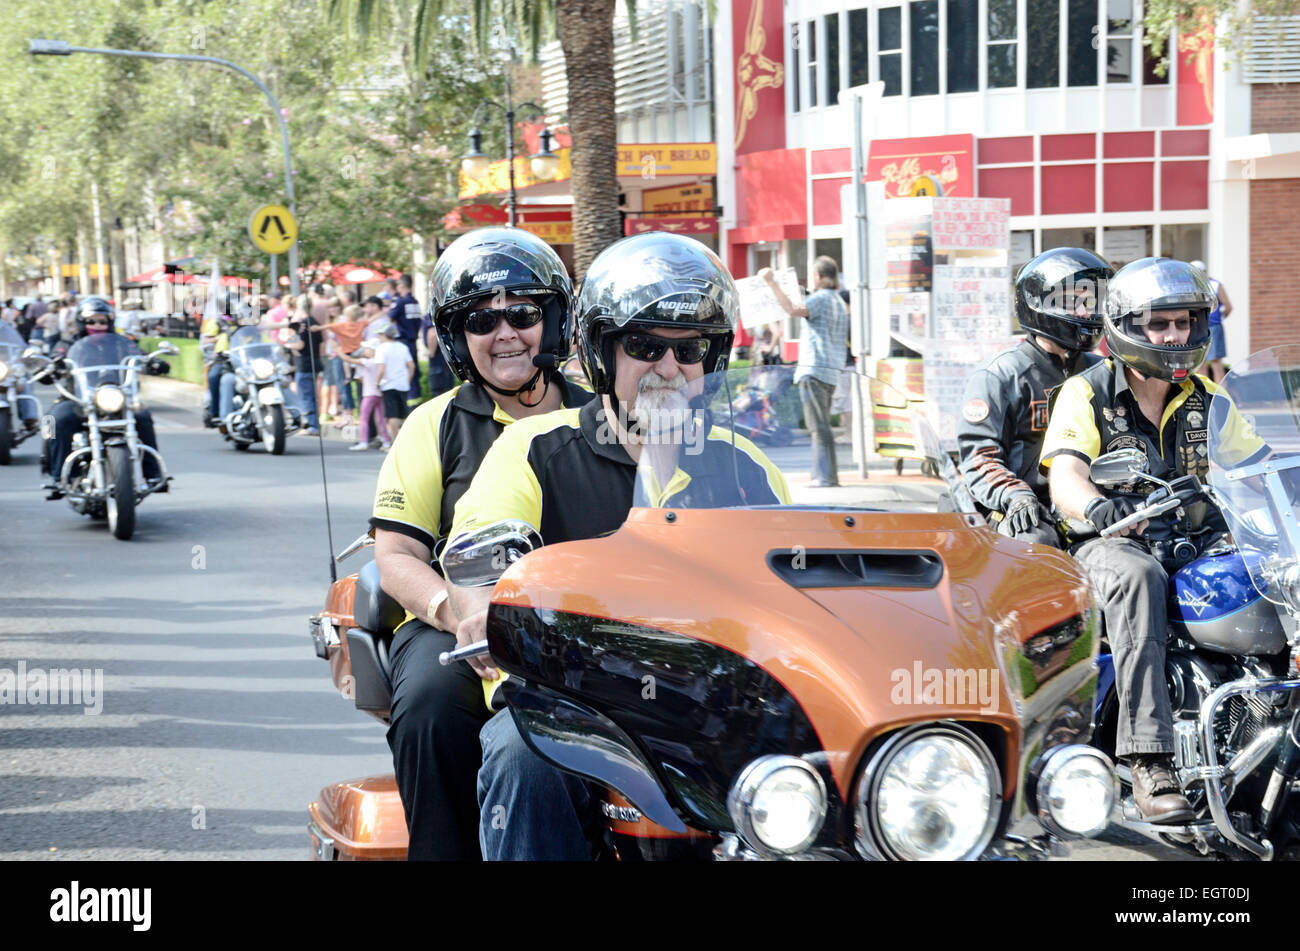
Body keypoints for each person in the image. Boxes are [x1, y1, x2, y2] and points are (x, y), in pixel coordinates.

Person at [442, 232, 790, 860]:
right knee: (525, 762)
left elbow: (793, 580)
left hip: (710, 700)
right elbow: (480, 557)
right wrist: (481, 608)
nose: (669, 367)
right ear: (602, 353)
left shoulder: (744, 464)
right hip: (568, 704)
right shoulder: (534, 449)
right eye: (645, 346)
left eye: (689, 349)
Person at [367, 227, 590, 860]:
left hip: (586, 623)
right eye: (481, 321)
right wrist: (456, 612)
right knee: (431, 708)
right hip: (456, 624)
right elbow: (395, 555)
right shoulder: (432, 424)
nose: (505, 334)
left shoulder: (601, 415)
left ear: (553, 321)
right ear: (458, 337)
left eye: (522, 314)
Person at [1040, 256, 1248, 823]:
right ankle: (1148, 759)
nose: (1174, 335)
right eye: (1159, 324)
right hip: (1111, 543)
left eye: (1183, 322)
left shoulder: (1211, 398)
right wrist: (1098, 505)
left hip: (1197, 538)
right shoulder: (1086, 393)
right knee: (1139, 578)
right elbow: (1065, 475)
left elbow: (1255, 467)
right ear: (1127, 327)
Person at [958, 248, 1113, 546]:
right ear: (1036, 303)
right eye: (1071, 301)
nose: (1084, 312)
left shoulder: (1103, 372)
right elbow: (979, 458)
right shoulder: (1000, 376)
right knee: (1036, 546)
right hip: (1023, 510)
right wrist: (1014, 494)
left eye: (1090, 302)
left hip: (1088, 505)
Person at [41, 298, 166, 498]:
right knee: (53, 420)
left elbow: (140, 355)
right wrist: (51, 366)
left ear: (110, 322)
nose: (97, 325)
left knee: (143, 416)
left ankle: (153, 474)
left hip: (117, 397)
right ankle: (59, 477)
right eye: (91, 321)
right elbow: (56, 356)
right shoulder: (68, 343)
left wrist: (154, 362)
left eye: (102, 321)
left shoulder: (122, 343)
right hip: (78, 399)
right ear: (82, 322)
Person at [760, 257, 849, 487]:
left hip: (815, 369)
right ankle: (828, 476)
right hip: (831, 370)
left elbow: (791, 309)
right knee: (823, 425)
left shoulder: (820, 299)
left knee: (817, 427)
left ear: (818, 276)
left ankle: (824, 477)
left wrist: (771, 282)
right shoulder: (838, 300)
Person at [286, 293, 323, 435]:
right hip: (315, 361)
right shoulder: (315, 322)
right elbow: (321, 344)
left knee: (306, 395)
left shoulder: (302, 324)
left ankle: (311, 425)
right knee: (312, 395)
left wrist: (289, 343)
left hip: (304, 363)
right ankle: (315, 423)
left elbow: (299, 344)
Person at [1190, 260, 1233, 382]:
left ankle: (1218, 391)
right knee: (1203, 363)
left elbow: (1228, 307)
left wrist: (1218, 319)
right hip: (1200, 327)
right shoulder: (1191, 287)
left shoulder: (1214, 285)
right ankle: (1207, 390)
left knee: (1213, 363)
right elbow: (1228, 307)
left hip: (1210, 327)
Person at [387, 274, 424, 404]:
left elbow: (390, 317)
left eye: (397, 285)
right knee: (414, 371)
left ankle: (408, 401)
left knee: (404, 371)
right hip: (413, 341)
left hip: (403, 341)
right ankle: (416, 399)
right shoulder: (415, 302)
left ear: (402, 286)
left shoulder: (400, 302)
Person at [374, 324, 415, 442]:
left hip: (388, 385)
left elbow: (381, 369)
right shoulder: (403, 347)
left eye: (380, 334)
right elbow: (411, 366)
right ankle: (407, 440)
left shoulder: (381, 348)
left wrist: (377, 383)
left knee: (392, 415)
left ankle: (396, 441)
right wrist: (408, 380)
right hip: (403, 385)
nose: (379, 337)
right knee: (404, 414)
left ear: (385, 335)